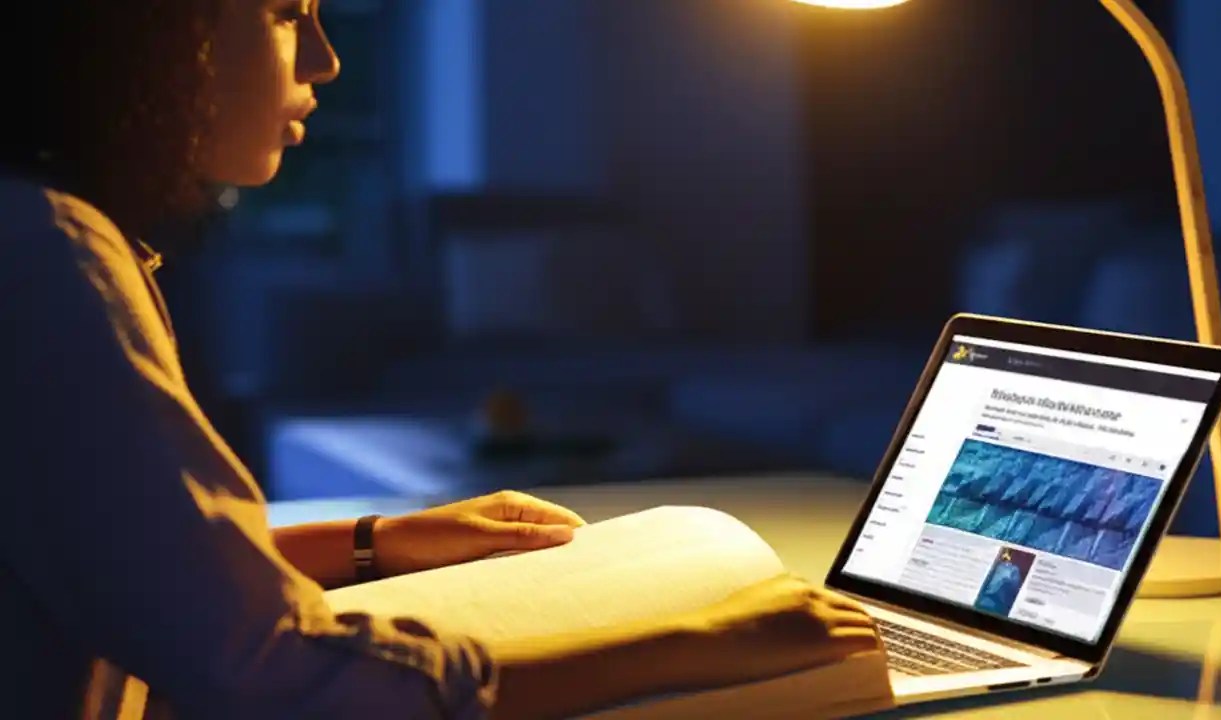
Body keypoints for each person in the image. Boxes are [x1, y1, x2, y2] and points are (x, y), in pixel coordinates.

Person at [0, 1, 882, 718]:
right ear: (150, 33)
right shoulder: (47, 259)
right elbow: (278, 684)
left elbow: (135, 559)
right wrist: (704, 644)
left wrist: (377, 543)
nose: (326, 60)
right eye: (283, 12)